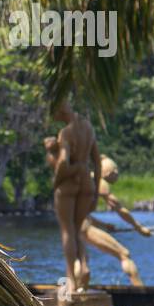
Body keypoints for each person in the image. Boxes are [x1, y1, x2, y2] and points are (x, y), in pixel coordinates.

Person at [43, 98, 101, 293]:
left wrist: (56, 181)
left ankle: (71, 279)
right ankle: (84, 266)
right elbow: (98, 163)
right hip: (87, 183)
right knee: (79, 230)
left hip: (69, 184)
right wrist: (97, 191)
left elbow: (63, 164)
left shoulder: (66, 133)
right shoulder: (88, 127)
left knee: (67, 230)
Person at [82, 156, 153, 286]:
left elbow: (82, 214)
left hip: (73, 228)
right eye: (116, 171)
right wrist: (139, 228)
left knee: (82, 265)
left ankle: (78, 297)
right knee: (124, 254)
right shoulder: (100, 182)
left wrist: (104, 225)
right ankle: (140, 292)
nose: (117, 175)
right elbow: (119, 209)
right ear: (109, 173)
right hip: (84, 229)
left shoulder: (86, 180)